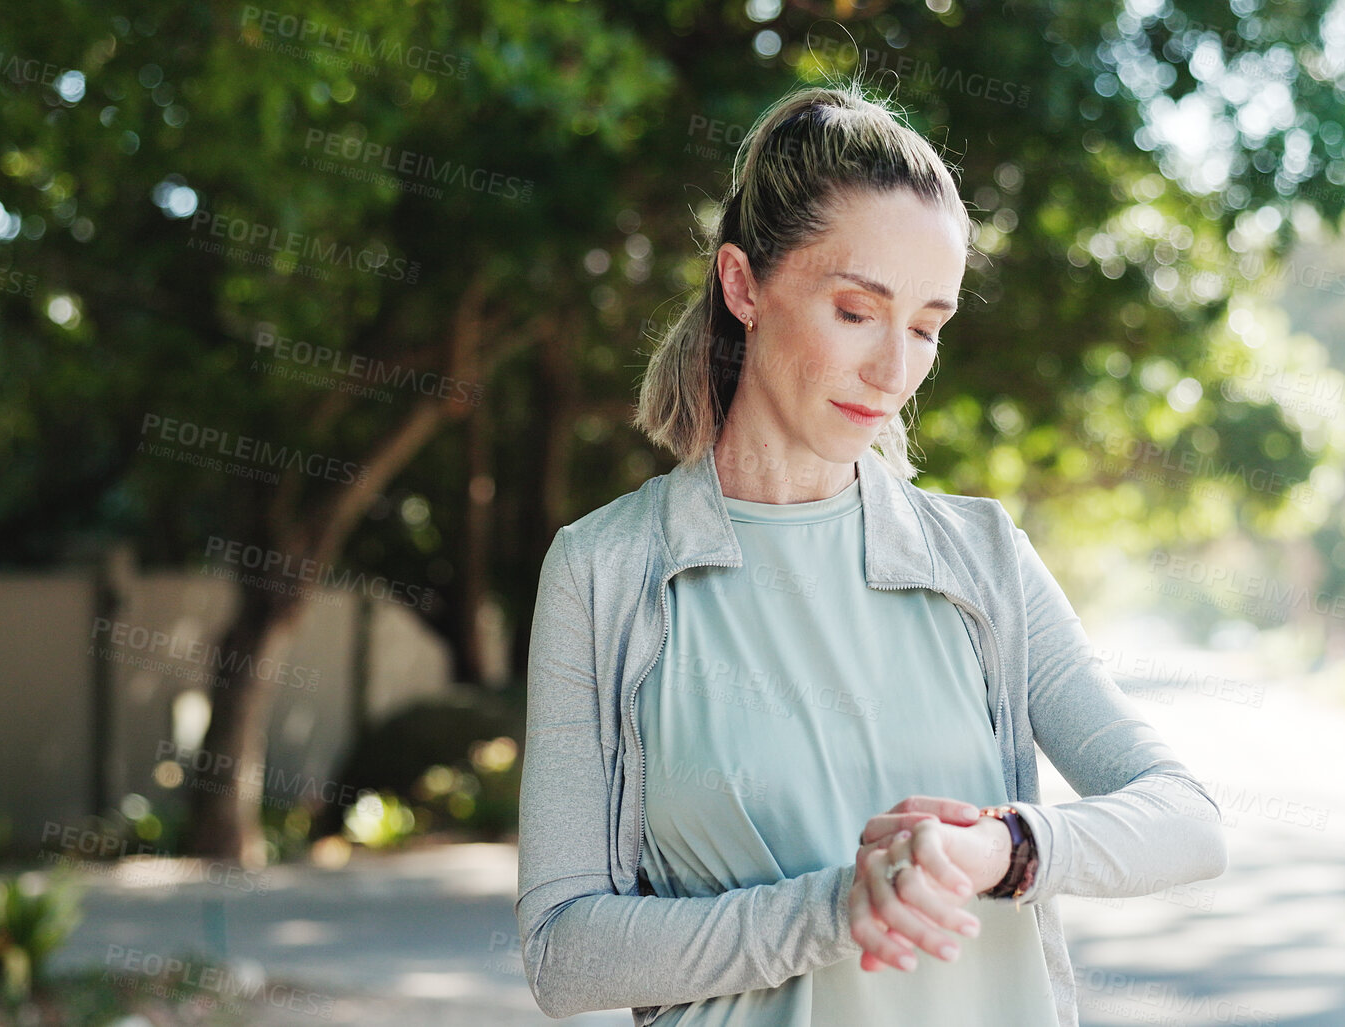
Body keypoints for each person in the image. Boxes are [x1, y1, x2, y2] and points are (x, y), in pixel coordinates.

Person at [516, 82, 1227, 1027]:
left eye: (928, 327)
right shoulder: (603, 570)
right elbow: (564, 954)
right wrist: (832, 908)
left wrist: (998, 846)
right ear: (742, 286)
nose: (896, 371)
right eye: (856, 310)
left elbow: (1186, 820)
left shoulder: (982, 558)